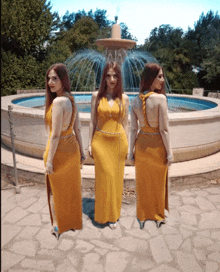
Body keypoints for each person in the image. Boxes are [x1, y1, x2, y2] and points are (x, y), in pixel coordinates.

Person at [128, 62, 173, 229]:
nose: (162, 80)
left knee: (143, 182)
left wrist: (130, 151)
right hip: (157, 145)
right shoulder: (160, 99)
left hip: (141, 144)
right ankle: (158, 216)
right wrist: (170, 152)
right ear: (150, 79)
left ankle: (142, 214)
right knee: (158, 181)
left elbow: (133, 129)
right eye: (159, 76)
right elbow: (164, 130)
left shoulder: (134, 101)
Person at [43, 63, 86, 239]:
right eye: (49, 79)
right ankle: (71, 223)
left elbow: (54, 135)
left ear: (63, 80)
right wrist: (82, 152)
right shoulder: (71, 99)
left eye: (55, 78)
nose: (50, 82)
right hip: (72, 148)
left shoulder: (59, 101)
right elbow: (78, 129)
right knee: (71, 188)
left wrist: (50, 160)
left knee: (55, 189)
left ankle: (57, 225)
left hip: (59, 150)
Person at [88, 61, 129, 229]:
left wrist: (129, 145)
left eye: (115, 75)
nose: (112, 79)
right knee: (105, 178)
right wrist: (89, 144)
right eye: (108, 75)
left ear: (119, 78)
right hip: (101, 142)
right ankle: (102, 213)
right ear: (104, 77)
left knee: (116, 180)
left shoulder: (124, 98)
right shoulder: (96, 96)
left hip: (119, 143)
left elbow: (126, 124)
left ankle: (112, 215)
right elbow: (92, 122)